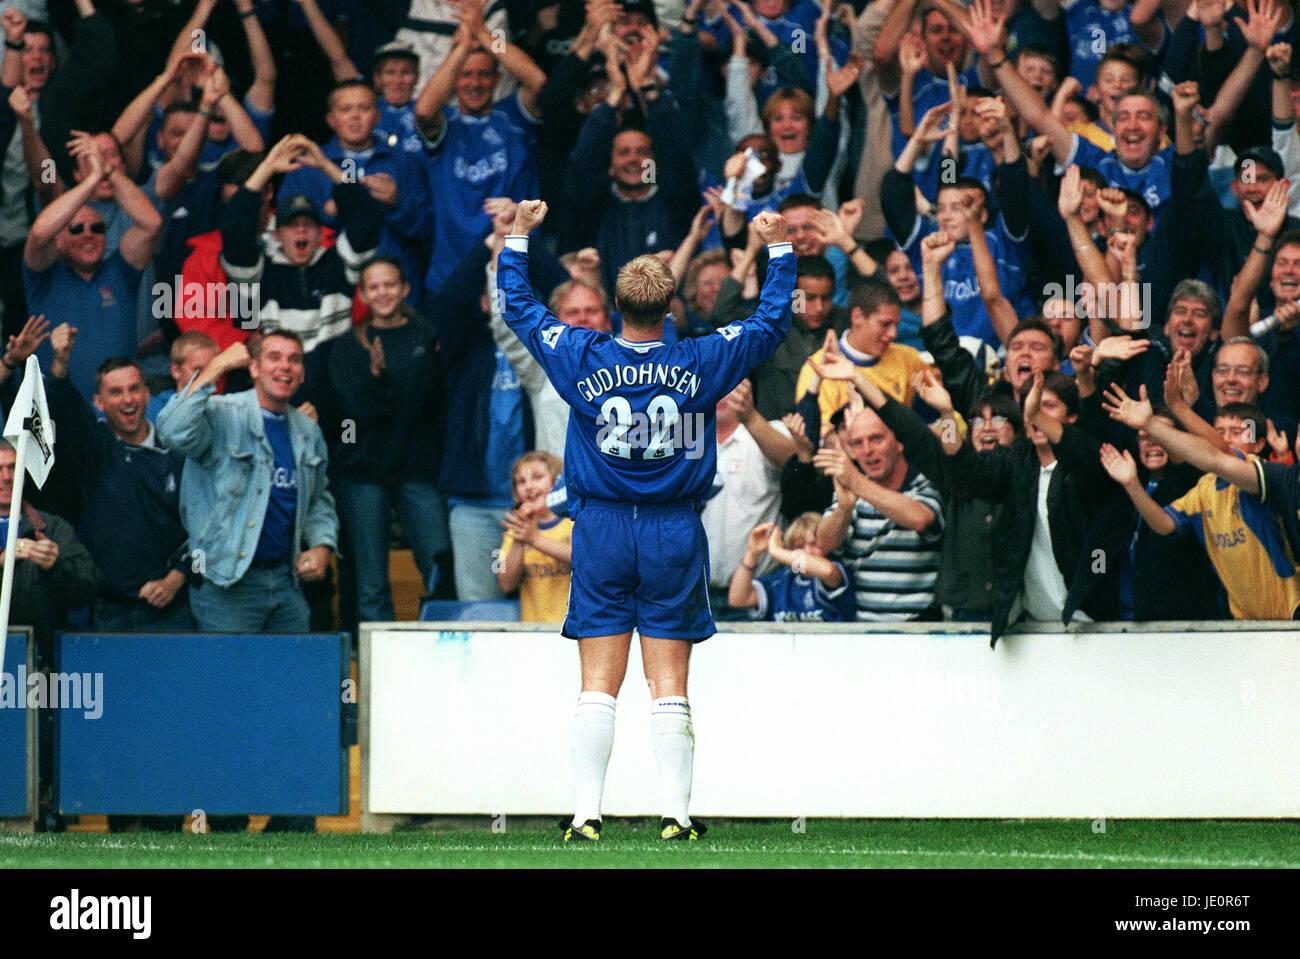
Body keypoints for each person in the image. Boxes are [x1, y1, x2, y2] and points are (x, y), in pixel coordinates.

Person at [497, 199, 795, 842]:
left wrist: (519, 235)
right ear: (669, 308)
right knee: (670, 684)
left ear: (613, 307)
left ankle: (584, 816)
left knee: (597, 685)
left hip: (600, 527)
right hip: (672, 529)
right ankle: (676, 817)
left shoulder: (582, 356)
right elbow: (770, 324)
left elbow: (518, 307)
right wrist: (778, 246)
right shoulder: (700, 359)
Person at [327, 255, 450, 624]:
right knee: (371, 583)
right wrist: (375, 378)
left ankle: (444, 660)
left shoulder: (428, 336)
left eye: (389, 284)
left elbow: (439, 403)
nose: (382, 293)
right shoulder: (349, 346)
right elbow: (348, 416)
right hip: (363, 475)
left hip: (418, 472)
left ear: (405, 288)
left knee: (440, 567)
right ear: (363, 294)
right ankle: (372, 675)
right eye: (374, 287)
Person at [727, 512, 855, 622]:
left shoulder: (836, 570)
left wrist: (776, 551)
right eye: (799, 546)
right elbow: (738, 599)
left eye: (814, 544)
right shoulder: (783, 579)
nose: (807, 551)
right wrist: (752, 553)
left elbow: (827, 571)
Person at [497, 451, 573, 623]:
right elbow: (506, 584)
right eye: (521, 481)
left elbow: (585, 560)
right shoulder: (515, 531)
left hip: (575, 629)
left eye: (537, 477)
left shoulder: (575, 521)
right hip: (533, 631)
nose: (529, 486)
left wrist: (534, 539)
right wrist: (518, 538)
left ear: (557, 483)